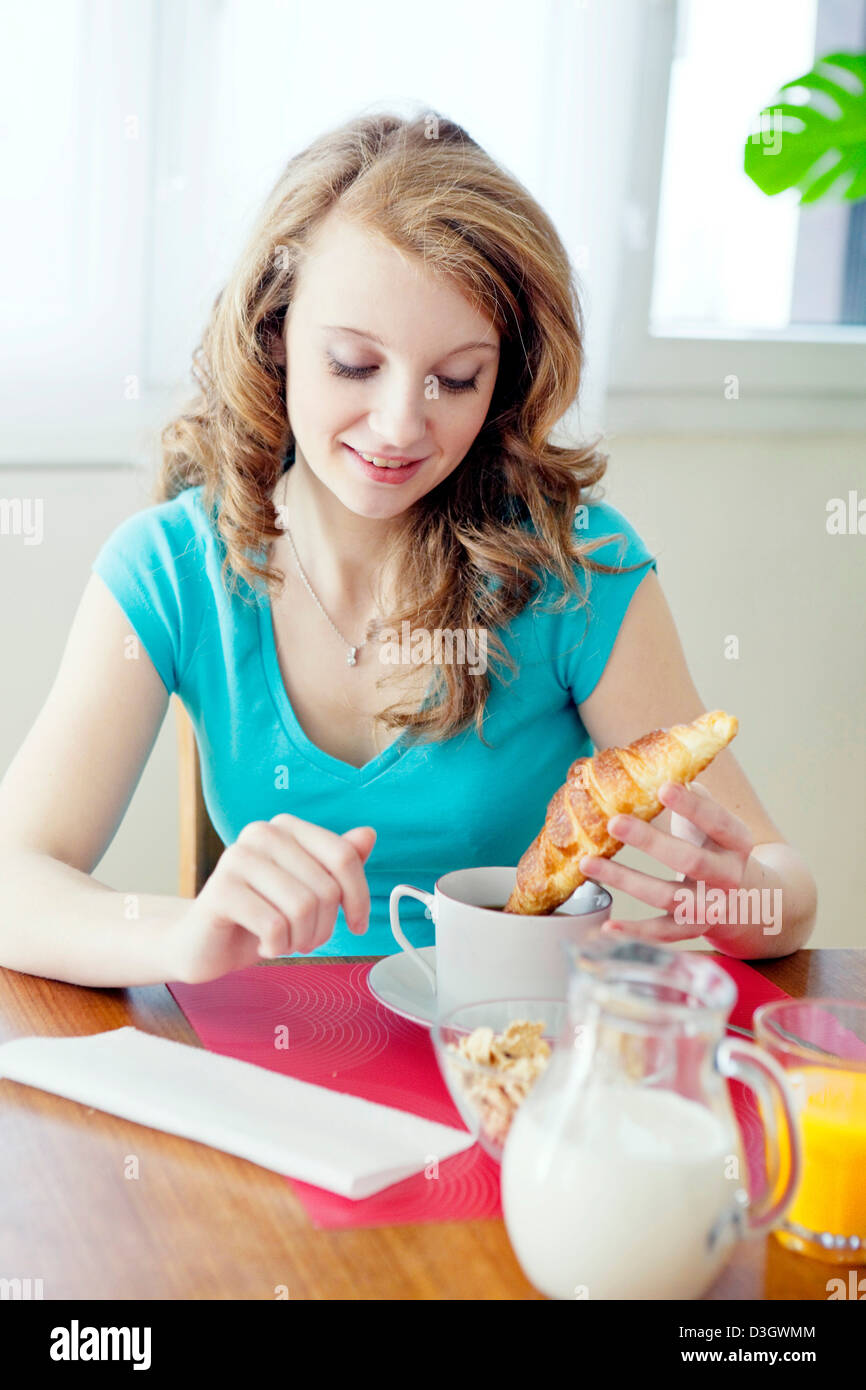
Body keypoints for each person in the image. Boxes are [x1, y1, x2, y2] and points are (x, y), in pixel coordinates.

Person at [0, 111, 816, 987]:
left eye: (456, 379)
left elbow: (787, 894)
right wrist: (186, 936)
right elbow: (15, 882)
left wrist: (741, 900)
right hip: (273, 1071)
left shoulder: (580, 572)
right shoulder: (169, 570)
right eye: (354, 363)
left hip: (502, 1050)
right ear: (274, 335)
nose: (399, 427)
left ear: (505, 376)